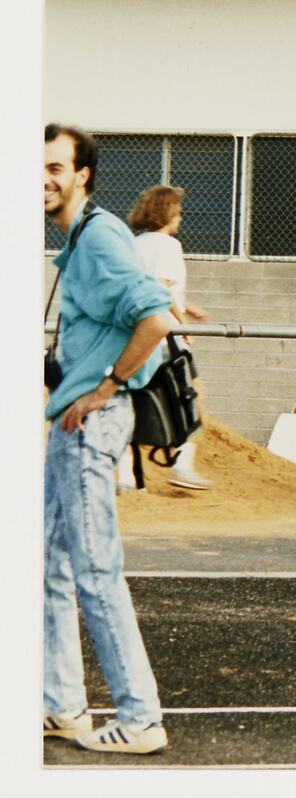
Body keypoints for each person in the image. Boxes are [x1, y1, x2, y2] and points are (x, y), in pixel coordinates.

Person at [44, 124, 176, 753]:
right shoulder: (79, 241)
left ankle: (141, 716)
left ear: (82, 174)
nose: (41, 179)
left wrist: (103, 384)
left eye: (53, 167)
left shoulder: (96, 239)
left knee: (95, 569)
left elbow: (156, 316)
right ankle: (63, 704)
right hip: (74, 423)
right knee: (51, 563)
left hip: (90, 421)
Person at [125, 184, 213, 491]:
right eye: (178, 212)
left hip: (133, 334)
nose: (181, 218)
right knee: (193, 394)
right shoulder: (168, 245)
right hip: (164, 335)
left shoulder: (135, 244)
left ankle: (127, 474)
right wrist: (184, 323)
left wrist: (186, 305)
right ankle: (182, 462)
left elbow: (145, 286)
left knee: (131, 398)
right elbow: (160, 289)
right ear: (167, 213)